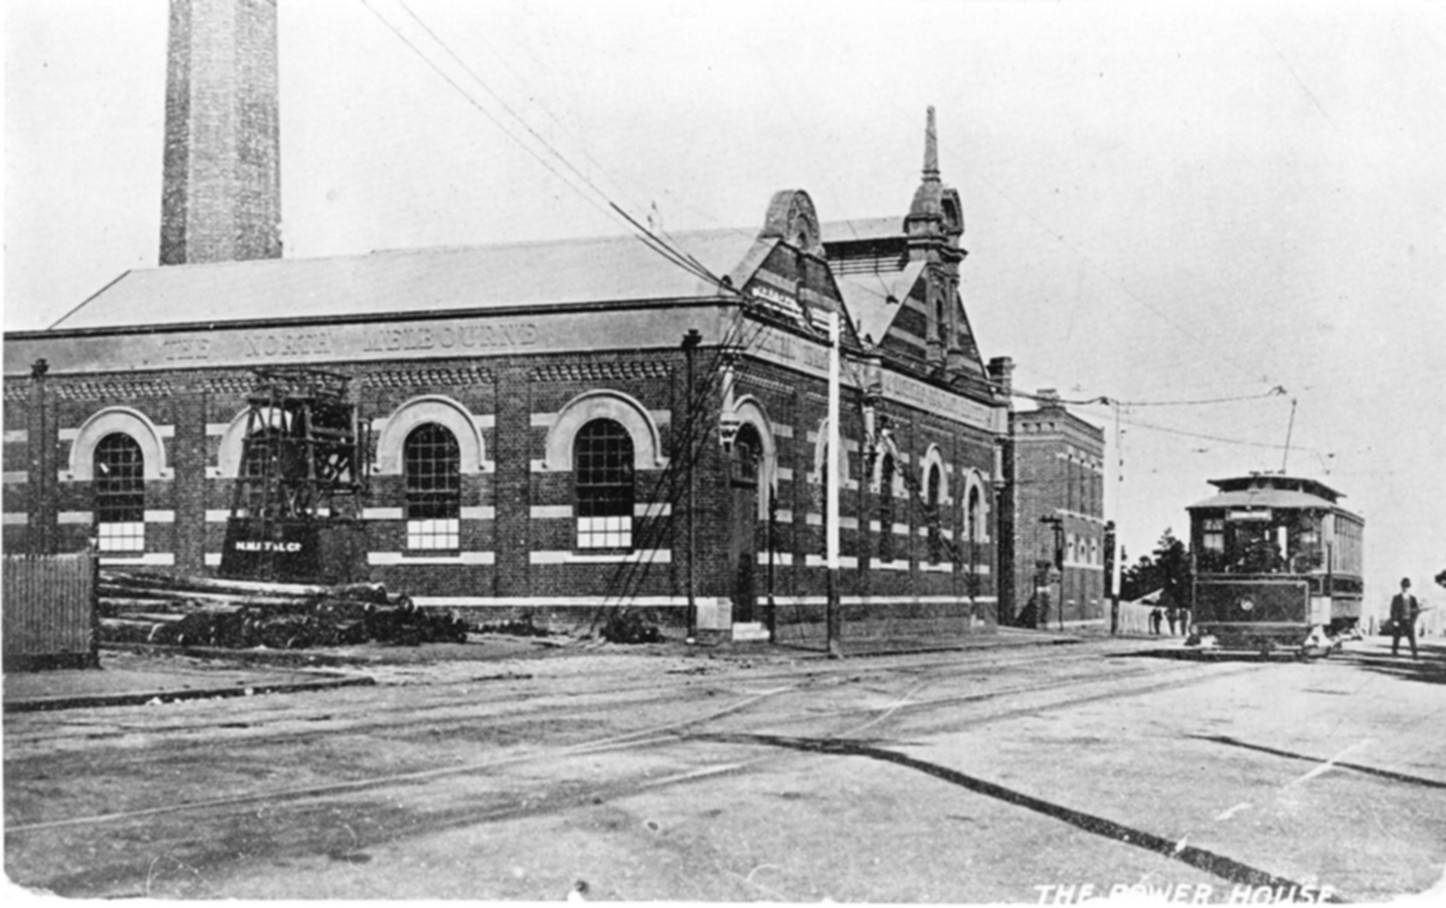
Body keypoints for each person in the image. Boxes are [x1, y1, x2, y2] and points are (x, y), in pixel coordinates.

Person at [1389, 577, 1420, 660]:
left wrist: (1413, 621)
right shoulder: (1396, 598)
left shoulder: (1413, 599)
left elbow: (1416, 611)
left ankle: (1415, 654)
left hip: (1409, 621)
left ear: (1409, 587)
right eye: (1404, 586)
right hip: (1400, 620)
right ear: (1401, 586)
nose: (1405, 588)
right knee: (1396, 637)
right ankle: (1394, 652)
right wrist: (1395, 620)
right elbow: (1393, 610)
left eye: (1407, 586)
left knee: (1412, 638)